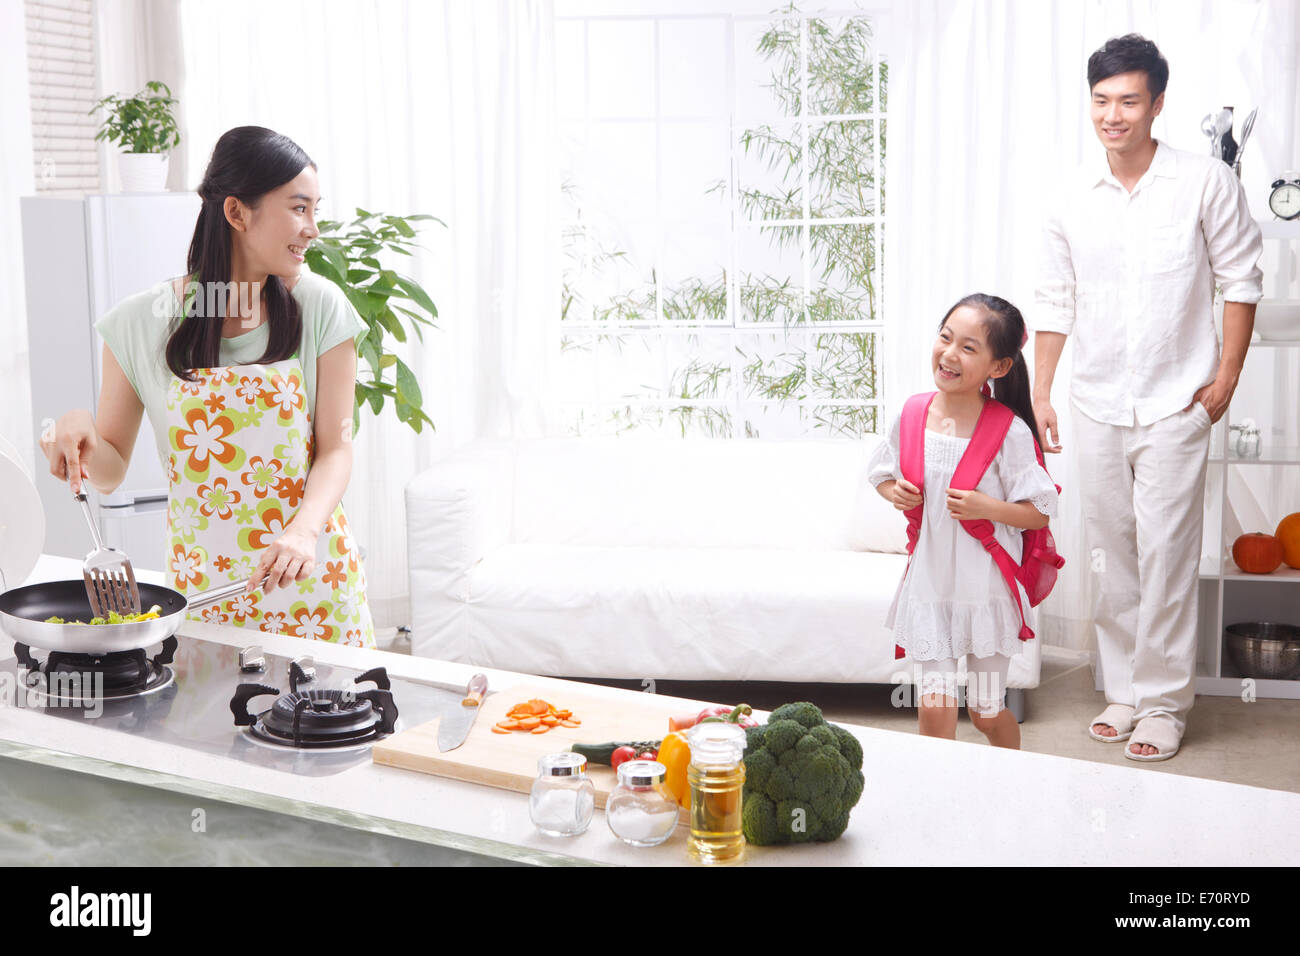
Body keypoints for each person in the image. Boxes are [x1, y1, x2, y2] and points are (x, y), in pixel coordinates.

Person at [40, 126, 376, 648]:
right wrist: (76, 430)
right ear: (238, 213)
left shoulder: (322, 307)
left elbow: (336, 449)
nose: (313, 229)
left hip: (314, 587)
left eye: (315, 210)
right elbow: (108, 473)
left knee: (343, 726)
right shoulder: (141, 322)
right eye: (298, 208)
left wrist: (303, 530)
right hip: (205, 596)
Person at [1033, 35, 1262, 760]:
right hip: (1096, 399)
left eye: (1129, 100)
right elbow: (1053, 298)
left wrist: (1224, 378)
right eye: (1101, 101)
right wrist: (1042, 392)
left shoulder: (1203, 183)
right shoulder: (1069, 194)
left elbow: (1241, 281)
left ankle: (1164, 703)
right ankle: (1124, 688)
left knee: (1167, 552)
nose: (1113, 115)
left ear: (1157, 104)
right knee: (1110, 552)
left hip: (1176, 402)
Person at [868, 294, 1060, 750]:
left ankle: (1013, 773)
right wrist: (895, 493)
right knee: (935, 711)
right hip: (931, 586)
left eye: (969, 348)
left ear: (998, 367)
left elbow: (1041, 510)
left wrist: (987, 508)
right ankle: (941, 803)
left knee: (986, 711)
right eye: (946, 337)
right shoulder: (912, 415)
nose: (949, 353)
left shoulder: (1008, 430)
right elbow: (880, 473)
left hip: (986, 591)